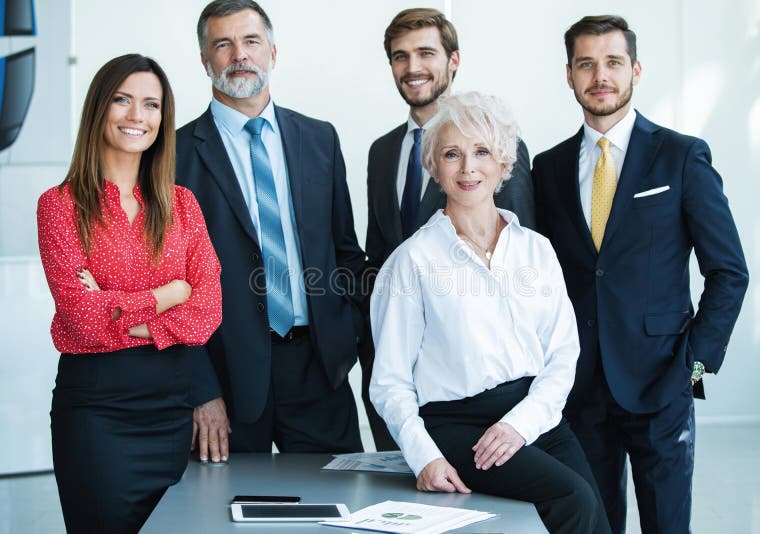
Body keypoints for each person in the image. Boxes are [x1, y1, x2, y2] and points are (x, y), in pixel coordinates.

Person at [532, 15, 749, 533]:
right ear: (569, 75)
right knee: (593, 524)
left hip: (662, 380)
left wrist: (694, 367)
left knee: (668, 525)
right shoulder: (548, 167)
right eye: (586, 64)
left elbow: (728, 271)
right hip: (578, 386)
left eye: (612, 62)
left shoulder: (680, 156)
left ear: (636, 69)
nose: (600, 75)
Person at [370, 92, 610, 534]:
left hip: (531, 413)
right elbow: (389, 381)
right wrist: (425, 458)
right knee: (571, 500)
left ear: (503, 162)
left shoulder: (536, 250)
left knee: (598, 515)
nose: (467, 168)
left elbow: (562, 353)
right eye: (452, 154)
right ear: (434, 169)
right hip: (457, 425)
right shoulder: (411, 261)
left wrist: (522, 423)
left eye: (481, 152)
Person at [37, 54, 222, 533]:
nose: (137, 115)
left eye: (151, 104)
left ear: (163, 118)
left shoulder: (182, 205)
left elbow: (207, 312)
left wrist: (115, 308)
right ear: (99, 108)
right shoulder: (60, 207)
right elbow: (81, 319)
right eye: (122, 100)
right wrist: (169, 293)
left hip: (170, 409)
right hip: (97, 414)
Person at [176, 0, 364, 460]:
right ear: (205, 61)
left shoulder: (320, 138)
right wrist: (201, 389)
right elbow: (169, 285)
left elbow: (345, 251)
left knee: (341, 515)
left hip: (318, 369)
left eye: (251, 41)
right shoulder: (173, 155)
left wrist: (346, 337)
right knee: (226, 517)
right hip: (226, 379)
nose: (239, 54)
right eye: (223, 44)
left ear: (272, 53)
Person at [361, 7, 536, 450]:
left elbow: (517, 260)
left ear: (453, 60)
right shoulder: (382, 152)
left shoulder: (494, 148)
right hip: (393, 366)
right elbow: (379, 254)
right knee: (402, 493)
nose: (413, 67)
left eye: (426, 53)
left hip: (469, 378)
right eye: (400, 57)